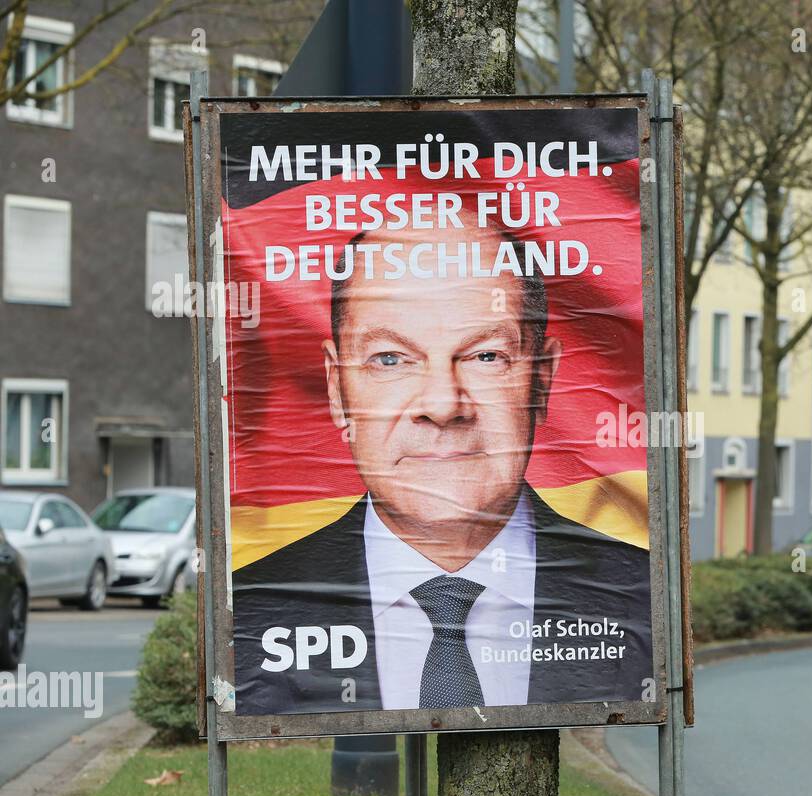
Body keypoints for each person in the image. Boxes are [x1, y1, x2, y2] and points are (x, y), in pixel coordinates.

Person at [232, 224, 652, 715]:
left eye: (485, 356)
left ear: (541, 379)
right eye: (390, 359)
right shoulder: (248, 610)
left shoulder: (641, 602)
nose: (442, 404)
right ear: (337, 388)